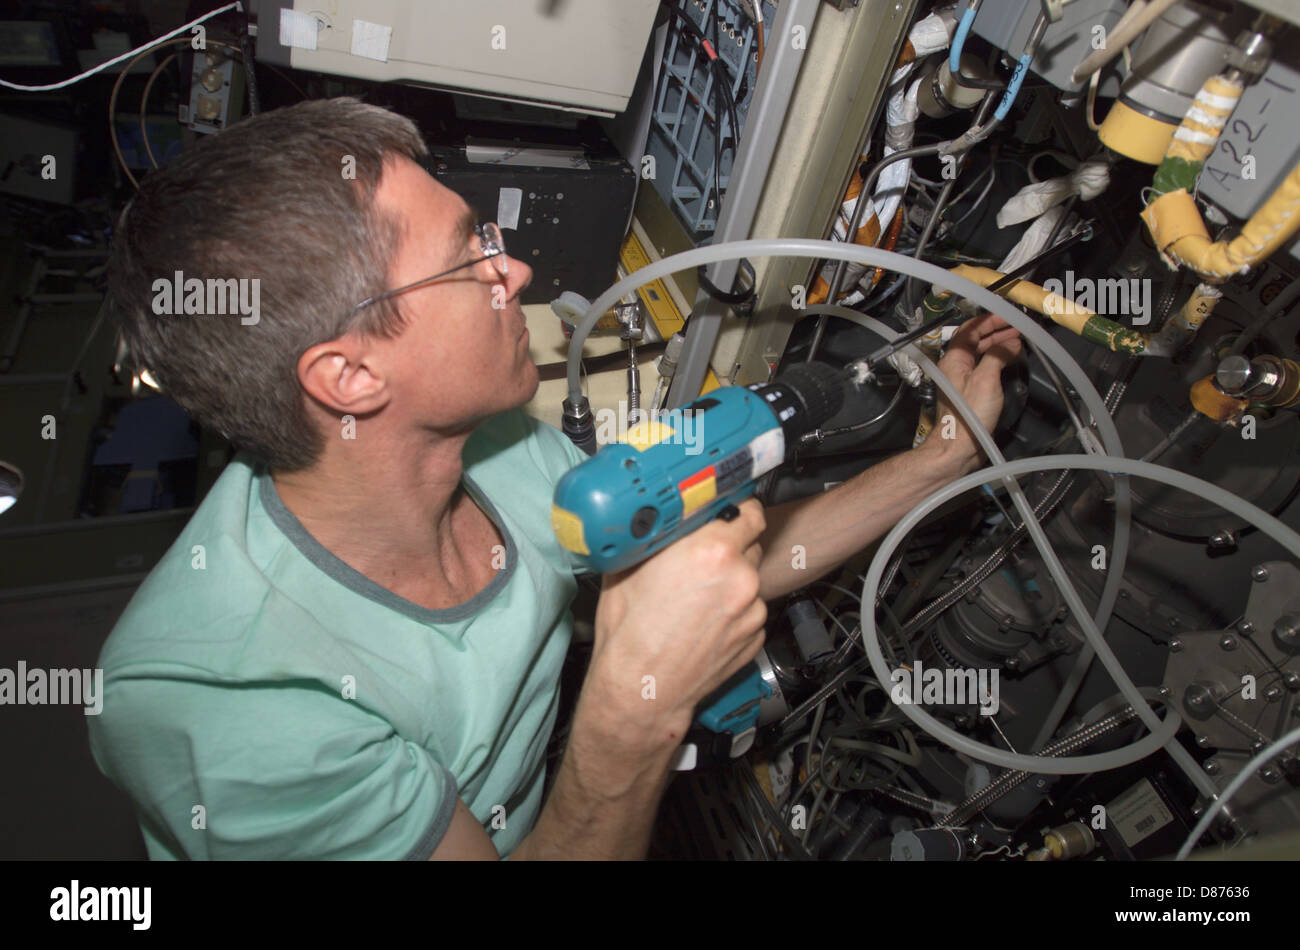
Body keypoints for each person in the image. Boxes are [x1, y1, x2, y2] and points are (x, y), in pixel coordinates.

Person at [88, 97, 1020, 860]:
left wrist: (943, 457)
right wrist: (630, 709)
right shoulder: (230, 708)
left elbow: (728, 567)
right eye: (471, 258)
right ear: (352, 377)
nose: (517, 267)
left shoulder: (499, 449)